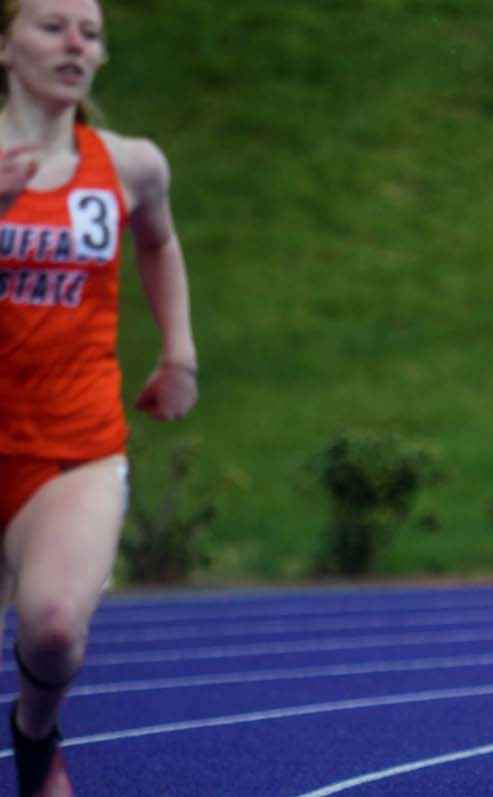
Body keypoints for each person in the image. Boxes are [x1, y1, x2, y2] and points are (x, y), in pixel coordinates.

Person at [0, 0, 198, 793]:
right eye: (53, 25)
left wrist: (177, 351)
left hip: (72, 439)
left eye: (90, 31)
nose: (75, 43)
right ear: (6, 44)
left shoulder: (129, 163)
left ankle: (35, 732)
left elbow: (158, 238)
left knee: (51, 626)